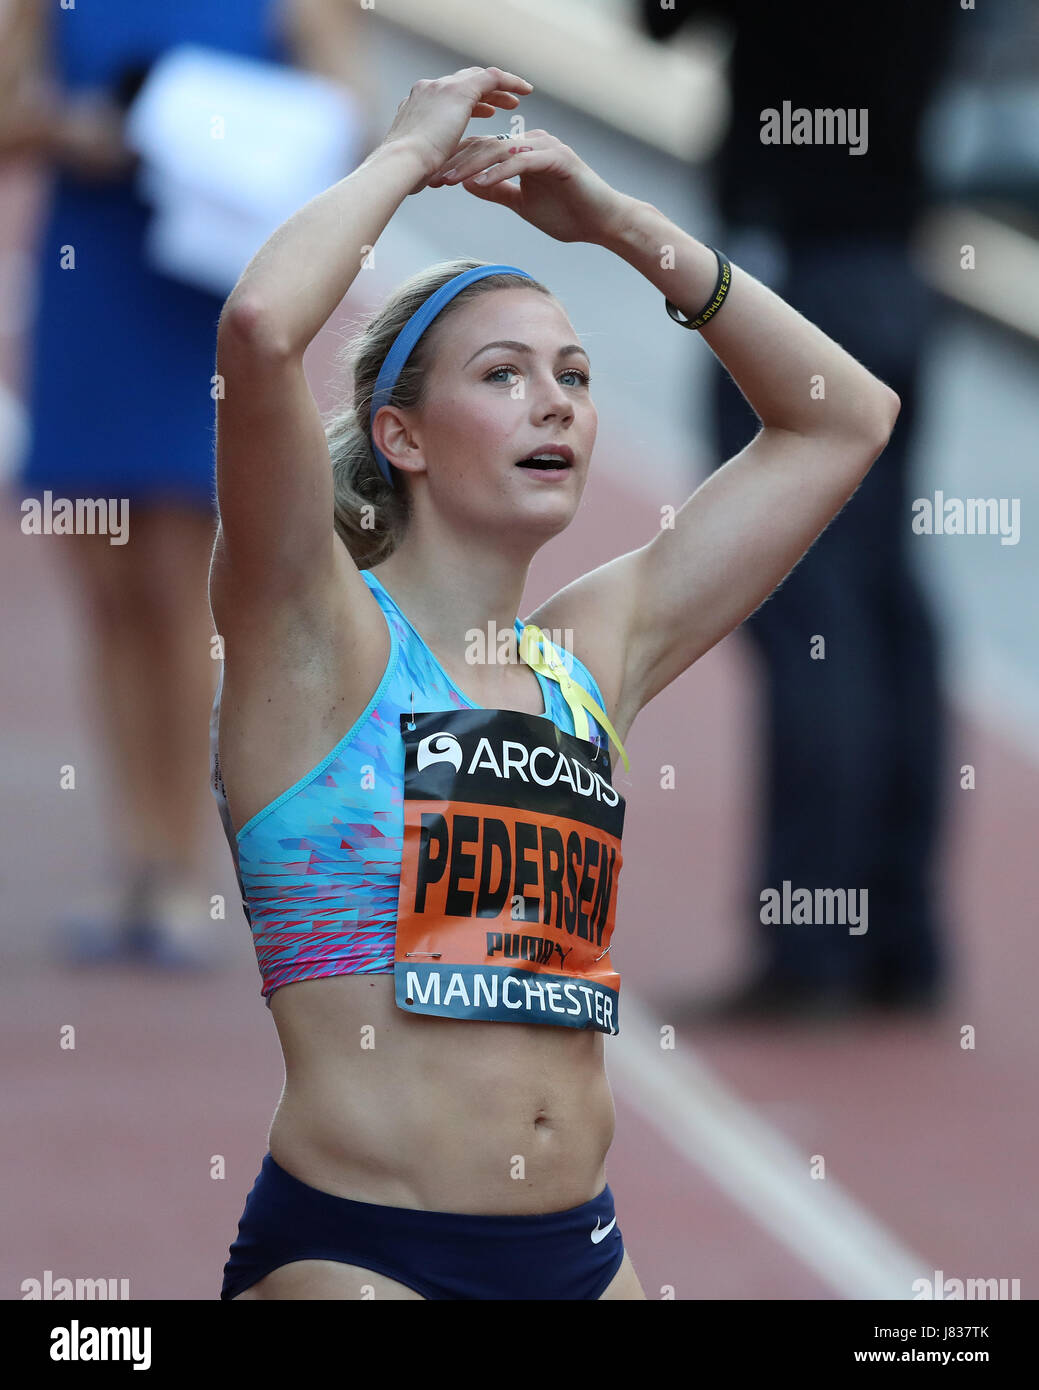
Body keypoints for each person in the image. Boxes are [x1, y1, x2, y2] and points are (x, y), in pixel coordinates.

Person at [211, 65, 900, 1300]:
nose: (557, 405)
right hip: (366, 1256)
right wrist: (402, 157)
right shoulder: (309, 637)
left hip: (579, 1255)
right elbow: (262, 331)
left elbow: (840, 419)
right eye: (505, 375)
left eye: (575, 377)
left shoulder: (588, 660)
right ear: (401, 436)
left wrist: (619, 225)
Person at [0, 0, 370, 966]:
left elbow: (352, 123)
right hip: (91, 281)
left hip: (210, 283)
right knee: (109, 592)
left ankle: (180, 865)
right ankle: (132, 849)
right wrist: (71, 127)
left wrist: (226, 131)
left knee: (177, 590)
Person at [640, 0, 955, 1018]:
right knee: (882, 596)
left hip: (797, 269)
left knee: (802, 602)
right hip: (887, 261)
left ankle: (813, 942)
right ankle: (898, 933)